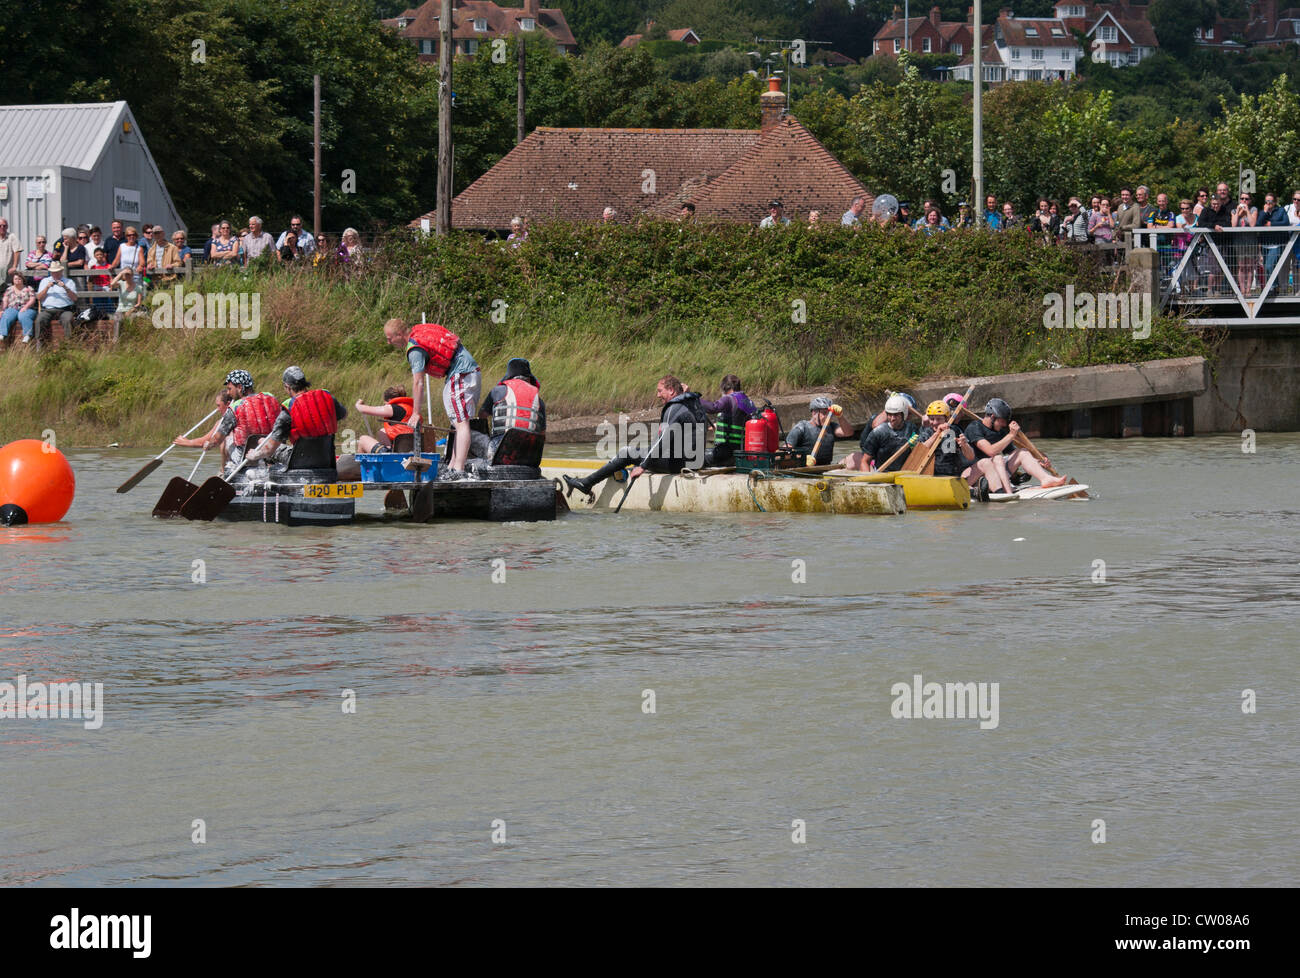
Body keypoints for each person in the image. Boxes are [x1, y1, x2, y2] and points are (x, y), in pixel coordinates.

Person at [562, 375, 705, 499]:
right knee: (643, 452)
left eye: (660, 391)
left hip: (679, 463)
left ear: (672, 391)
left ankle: (586, 484)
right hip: (694, 461)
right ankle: (623, 468)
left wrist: (643, 466)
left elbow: (662, 442)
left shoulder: (674, 408)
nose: (658, 395)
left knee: (626, 452)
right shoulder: (692, 402)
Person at [383, 318, 481, 478]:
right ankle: (452, 466)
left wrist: (415, 413)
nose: (388, 342)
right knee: (458, 423)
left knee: (461, 424)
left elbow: (418, 382)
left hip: (462, 374)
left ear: (399, 334)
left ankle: (458, 470)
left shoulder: (414, 350)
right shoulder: (417, 331)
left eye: (389, 338)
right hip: (466, 372)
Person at [176, 369, 283, 472]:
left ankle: (225, 469)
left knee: (228, 436)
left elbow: (217, 439)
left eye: (229, 389)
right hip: (272, 452)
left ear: (240, 387)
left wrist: (209, 445)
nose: (228, 393)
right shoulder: (271, 397)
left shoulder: (235, 407)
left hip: (246, 459)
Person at [246, 367, 347, 468]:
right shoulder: (327, 396)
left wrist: (255, 454)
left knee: (262, 442)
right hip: (327, 460)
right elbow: (344, 415)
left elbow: (270, 449)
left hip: (300, 463)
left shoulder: (288, 408)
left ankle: (268, 472)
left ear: (287, 387)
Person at [964, 398, 1068, 493]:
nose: (1005, 424)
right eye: (1002, 421)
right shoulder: (975, 427)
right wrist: (1011, 435)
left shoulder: (1000, 432)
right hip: (974, 475)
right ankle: (1006, 492)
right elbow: (990, 451)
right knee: (997, 458)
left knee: (1023, 452)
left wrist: (1039, 461)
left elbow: (1014, 454)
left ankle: (1046, 479)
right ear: (992, 416)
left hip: (995, 472)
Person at [476, 357, 547, 467]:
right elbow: (542, 434)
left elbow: (482, 415)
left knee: (469, 434)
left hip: (500, 453)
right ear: (529, 379)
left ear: (509, 376)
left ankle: (459, 469)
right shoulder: (539, 400)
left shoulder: (497, 391)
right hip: (529, 456)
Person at [841, 393, 916, 472]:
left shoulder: (912, 428)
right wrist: (867, 481)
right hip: (879, 470)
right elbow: (865, 461)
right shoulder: (878, 431)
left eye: (896, 415)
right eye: (890, 414)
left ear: (904, 413)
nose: (892, 418)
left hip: (902, 473)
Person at [698, 374, 756, 467]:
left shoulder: (729, 399)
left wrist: (694, 398)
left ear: (725, 388)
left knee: (693, 457)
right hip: (741, 452)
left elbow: (713, 407)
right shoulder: (748, 401)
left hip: (725, 453)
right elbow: (738, 421)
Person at [786, 396, 850, 466]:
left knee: (851, 459)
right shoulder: (801, 428)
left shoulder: (832, 426)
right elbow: (783, 453)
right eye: (824, 413)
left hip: (826, 467)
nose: (828, 417)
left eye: (830, 414)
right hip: (804, 467)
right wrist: (802, 458)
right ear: (814, 413)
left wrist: (840, 416)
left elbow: (848, 433)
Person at [355, 386, 416, 454]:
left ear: (389, 400)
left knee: (362, 439)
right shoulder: (412, 409)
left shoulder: (393, 408)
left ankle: (363, 464)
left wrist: (358, 404)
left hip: (398, 453)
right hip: (411, 448)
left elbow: (363, 409)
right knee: (382, 431)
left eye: (385, 403)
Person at [35, 261, 77, 342]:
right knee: (40, 320)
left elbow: (74, 298)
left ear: (61, 271)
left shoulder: (69, 282)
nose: (55, 274)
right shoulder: (44, 281)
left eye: (57, 272)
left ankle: (69, 343)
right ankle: (40, 344)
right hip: (48, 309)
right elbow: (39, 298)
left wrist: (65, 287)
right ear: (50, 272)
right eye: (53, 272)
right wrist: (47, 288)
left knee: (68, 319)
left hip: (65, 309)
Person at [1, 271, 38, 344]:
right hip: (12, 307)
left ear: (23, 280)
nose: (17, 280)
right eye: (15, 279)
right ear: (13, 280)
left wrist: (26, 307)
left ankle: (27, 335)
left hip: (27, 308)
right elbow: (5, 300)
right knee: (6, 315)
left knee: (23, 316)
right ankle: (2, 333)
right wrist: (2, 309)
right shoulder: (9, 289)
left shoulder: (29, 288)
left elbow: (32, 300)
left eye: (19, 279)